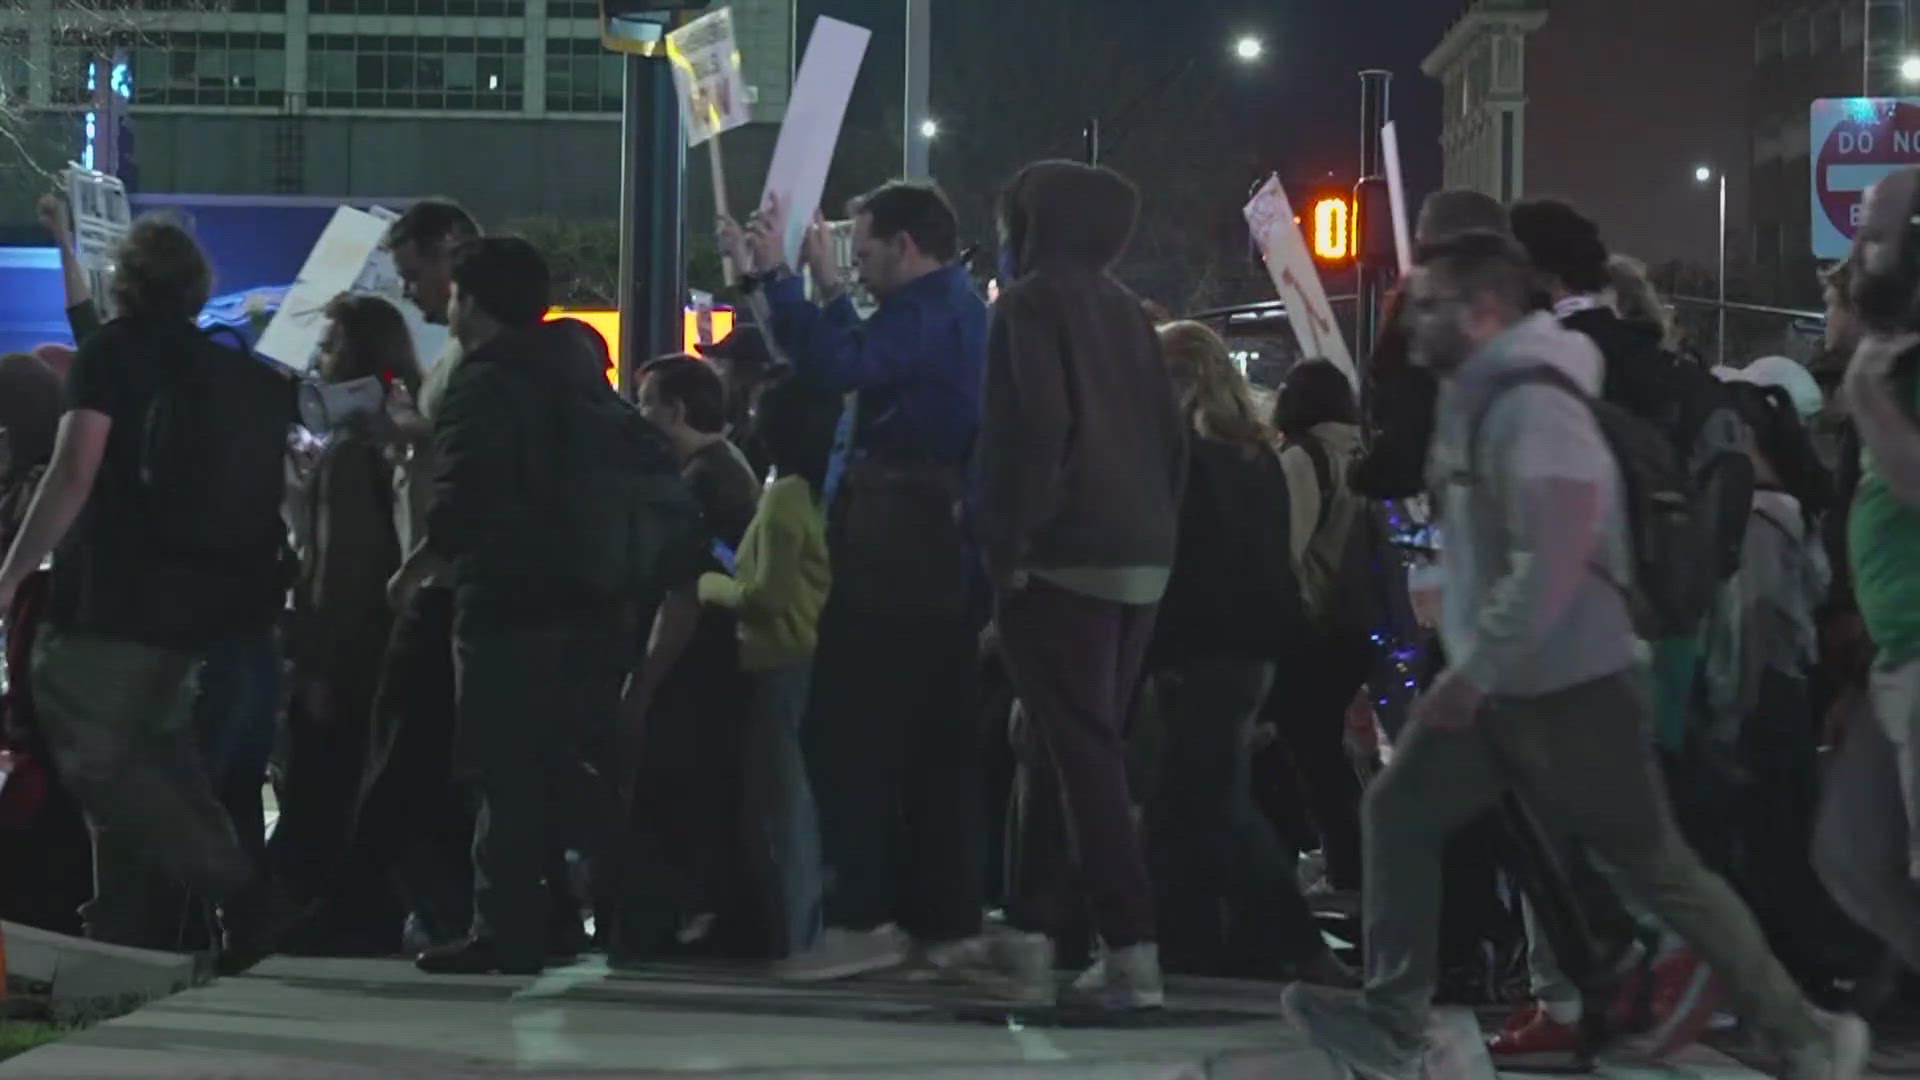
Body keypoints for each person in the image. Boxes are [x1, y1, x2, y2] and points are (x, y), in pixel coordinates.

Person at [1282, 230, 1869, 1080]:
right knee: (1399, 812)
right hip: (1509, 677)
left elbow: (1559, 549)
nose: (1416, 321)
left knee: (1659, 870)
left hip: (1570, 681)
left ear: (1485, 311)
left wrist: (1475, 669)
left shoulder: (1534, 401)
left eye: (1435, 303)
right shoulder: (1482, 395)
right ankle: (1392, 1019)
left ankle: (1807, 1036)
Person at [0, 215, 299, 963]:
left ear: (126, 284)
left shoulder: (112, 357)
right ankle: (161, 931)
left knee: (107, 762)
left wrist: (10, 575)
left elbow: (75, 471)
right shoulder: (241, 373)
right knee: (179, 770)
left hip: (118, 607)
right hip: (226, 613)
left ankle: (208, 899)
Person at [412, 237, 699, 975]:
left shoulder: (484, 384)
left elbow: (459, 502)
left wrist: (423, 557)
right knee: (569, 766)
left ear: (470, 303)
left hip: (508, 601)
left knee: (503, 768)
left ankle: (508, 927)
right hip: (593, 603)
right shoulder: (582, 379)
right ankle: (631, 904)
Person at [727, 182, 989, 981]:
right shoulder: (948, 309)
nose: (859, 261)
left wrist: (777, 282)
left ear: (908, 245)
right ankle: (937, 920)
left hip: (896, 547)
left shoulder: (931, 308)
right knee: (924, 739)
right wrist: (818, 290)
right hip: (924, 544)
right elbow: (863, 360)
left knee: (851, 730)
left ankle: (865, 915)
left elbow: (845, 366)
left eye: (866, 247)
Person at [961, 159, 1188, 1009]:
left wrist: (1008, 543)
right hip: (1141, 554)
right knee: (1070, 746)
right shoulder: (1125, 308)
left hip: (1063, 554)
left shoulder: (1027, 304)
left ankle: (1129, 946)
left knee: (1080, 750)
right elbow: (1173, 440)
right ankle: (1034, 930)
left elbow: (1034, 428)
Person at [1143, 321, 1350, 987]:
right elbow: (1274, 569)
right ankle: (1189, 943)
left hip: (1198, 647)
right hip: (1252, 651)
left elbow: (1175, 563)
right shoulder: (1258, 457)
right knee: (1190, 798)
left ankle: (1291, 943)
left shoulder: (1180, 456)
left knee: (1214, 800)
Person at [275, 294, 420, 953]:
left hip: (346, 651)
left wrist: (318, 658)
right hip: (386, 642)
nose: (319, 359)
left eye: (331, 346)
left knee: (326, 785)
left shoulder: (351, 454)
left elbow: (340, 567)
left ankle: (330, 912)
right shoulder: (396, 445)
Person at [359, 199, 481, 950]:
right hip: (437, 580)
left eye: (413, 274)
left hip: (442, 585)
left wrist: (418, 566)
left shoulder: (474, 365)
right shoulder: (458, 358)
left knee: (410, 769)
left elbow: (463, 478)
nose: (411, 292)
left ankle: (443, 913)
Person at [1813, 166, 1920, 988]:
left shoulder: (1893, 377)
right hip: (1894, 656)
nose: (1858, 255)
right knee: (1850, 857)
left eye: (1877, 234)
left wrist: (1872, 396)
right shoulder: (1887, 361)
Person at [696, 373, 840, 963]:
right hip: (802, 656)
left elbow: (766, 597)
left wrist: (713, 584)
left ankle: (795, 934)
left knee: (784, 806)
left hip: (780, 659)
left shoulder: (782, 499)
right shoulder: (812, 493)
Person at [626, 353, 762, 953]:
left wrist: (645, 681)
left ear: (675, 410)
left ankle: (701, 919)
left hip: (699, 668)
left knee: (683, 793)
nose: (639, 414)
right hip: (724, 660)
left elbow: (686, 594)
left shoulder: (700, 482)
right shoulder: (725, 469)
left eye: (645, 401)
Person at [1272, 357, 1371, 896]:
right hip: (1360, 623)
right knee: (1329, 751)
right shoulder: (1361, 452)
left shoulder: (1304, 459)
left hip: (1316, 625)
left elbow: (1286, 549)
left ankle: (1343, 866)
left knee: (1311, 753)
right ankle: (1345, 859)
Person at [699, 326, 782, 481]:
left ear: (741, 370)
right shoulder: (741, 417)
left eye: (720, 363)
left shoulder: (763, 422)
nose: (716, 372)